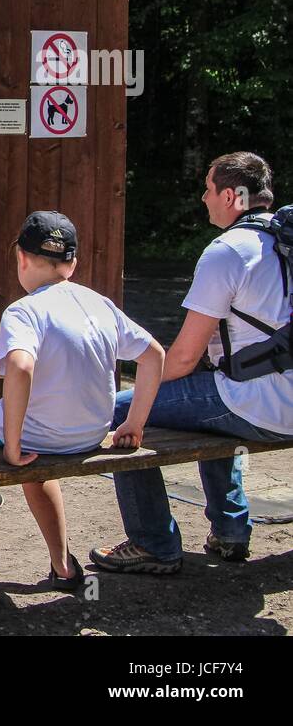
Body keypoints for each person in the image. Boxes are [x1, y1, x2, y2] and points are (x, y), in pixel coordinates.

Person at [93, 153, 293, 574]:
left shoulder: (227, 252)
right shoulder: (284, 241)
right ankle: (231, 531)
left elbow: (182, 358)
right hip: (280, 396)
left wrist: (142, 387)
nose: (203, 198)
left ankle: (153, 543)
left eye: (207, 188)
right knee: (214, 394)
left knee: (123, 409)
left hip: (262, 405)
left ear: (229, 195)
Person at [0, 212, 164, 592]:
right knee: (37, 466)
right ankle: (62, 565)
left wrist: (13, 444)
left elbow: (19, 368)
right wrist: (134, 424)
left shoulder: (24, 310)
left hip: (38, 437)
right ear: (73, 263)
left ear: (20, 257)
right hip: (90, 435)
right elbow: (154, 355)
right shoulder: (99, 303)